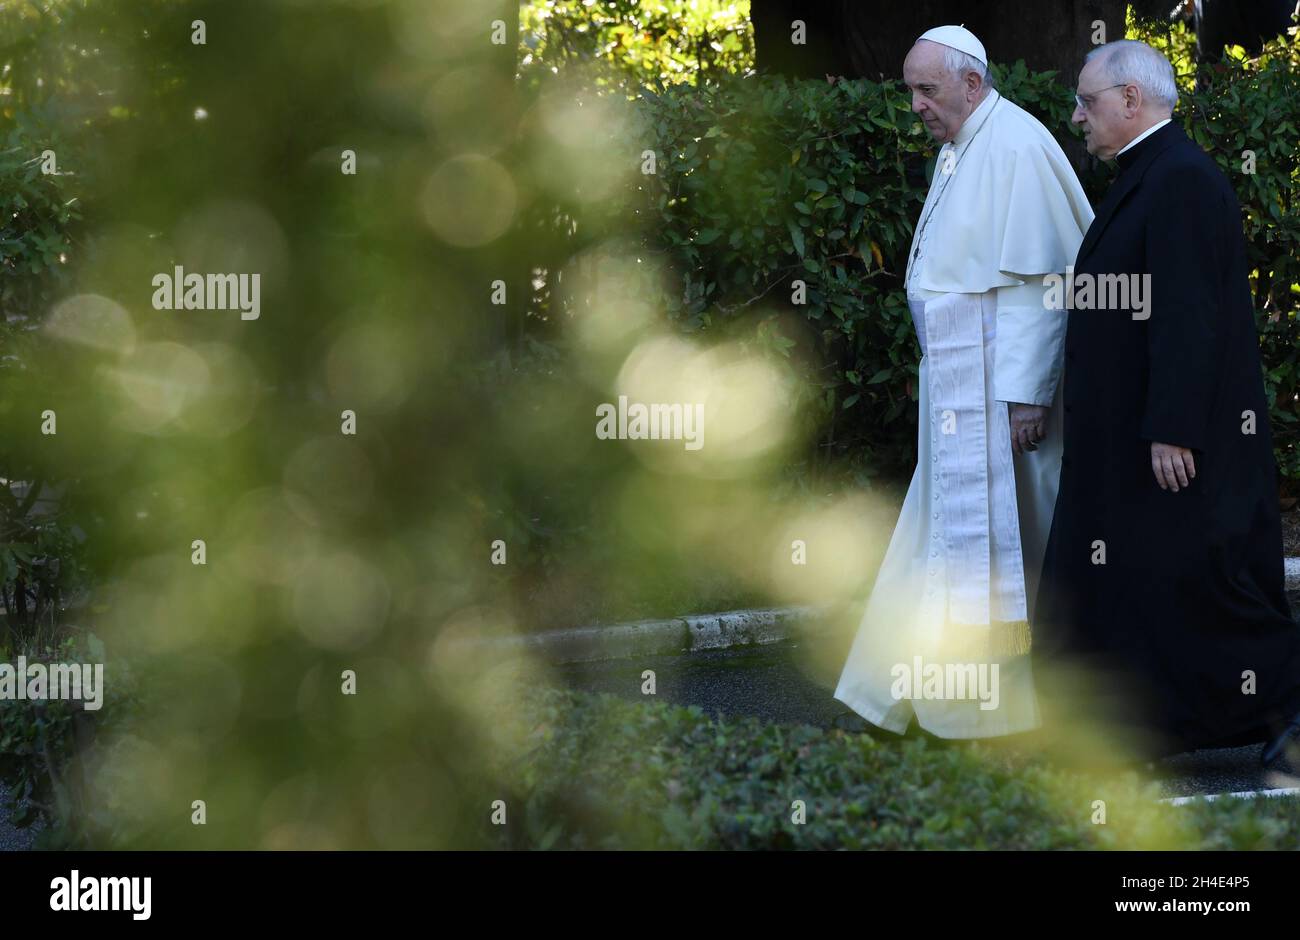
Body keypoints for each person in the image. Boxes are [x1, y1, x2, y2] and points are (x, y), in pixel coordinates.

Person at [1033, 39, 1300, 766]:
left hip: (1167, 439)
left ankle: (1285, 709)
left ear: (1130, 100)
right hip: (1130, 436)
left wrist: (1173, 429)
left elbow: (1189, 315)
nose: (1078, 116)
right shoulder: (1150, 174)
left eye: (1088, 101)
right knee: (1146, 587)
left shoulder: (1179, 179)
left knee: (1198, 586)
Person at [833, 26, 1094, 738]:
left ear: (971, 84)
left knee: (994, 550)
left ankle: (981, 710)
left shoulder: (1015, 145)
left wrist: (1026, 397)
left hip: (1000, 400)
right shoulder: (963, 146)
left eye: (928, 89)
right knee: (936, 538)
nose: (915, 104)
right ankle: (906, 697)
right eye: (911, 90)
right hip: (958, 389)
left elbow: (1041, 286)